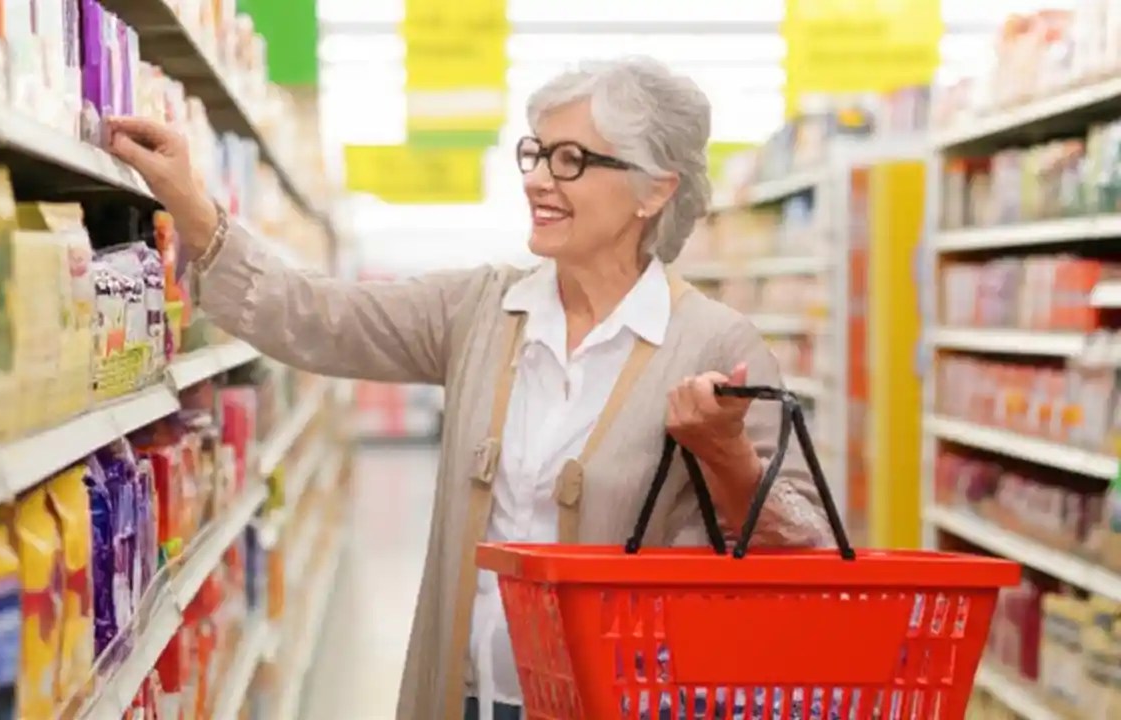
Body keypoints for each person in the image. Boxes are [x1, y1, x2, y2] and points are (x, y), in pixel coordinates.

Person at [107, 55, 833, 720]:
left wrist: (726, 456)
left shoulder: (715, 344)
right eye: (536, 152)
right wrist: (191, 206)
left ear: (655, 191)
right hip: (468, 700)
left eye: (571, 159)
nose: (538, 178)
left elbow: (803, 555)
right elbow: (318, 316)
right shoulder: (483, 310)